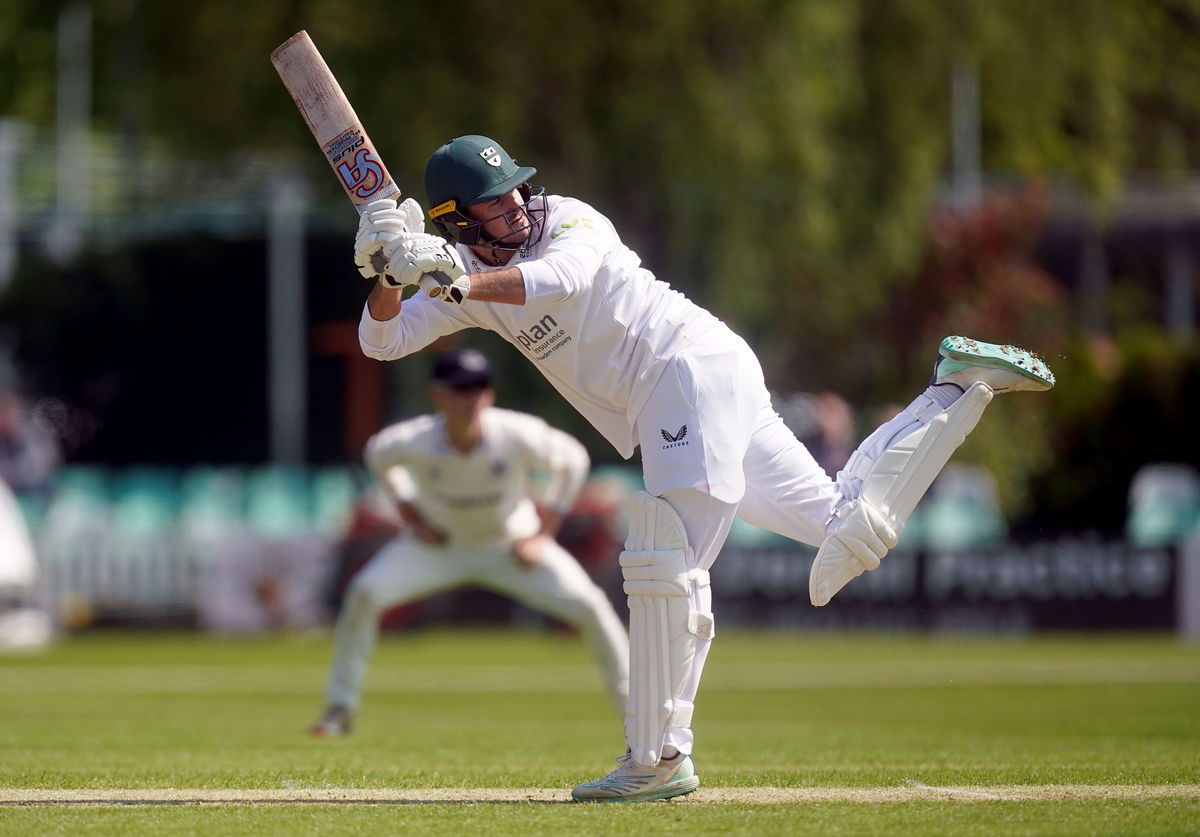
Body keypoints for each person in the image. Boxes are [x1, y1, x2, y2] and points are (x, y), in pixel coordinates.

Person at [345, 135, 1055, 801]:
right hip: (703, 378)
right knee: (847, 524)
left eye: (515, 191)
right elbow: (380, 340)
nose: (515, 206)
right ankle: (959, 387)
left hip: (681, 371)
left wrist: (448, 279)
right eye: (494, 203)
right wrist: (385, 271)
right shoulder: (464, 274)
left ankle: (656, 756)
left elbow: (556, 281)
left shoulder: (569, 222)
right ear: (459, 222)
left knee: (666, 560)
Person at [310, 347, 629, 737]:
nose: (471, 398)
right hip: (438, 548)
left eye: (479, 388)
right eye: (460, 389)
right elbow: (377, 456)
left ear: (490, 394)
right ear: (438, 395)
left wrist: (541, 535)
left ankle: (635, 712)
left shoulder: (514, 432)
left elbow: (575, 460)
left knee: (591, 605)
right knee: (364, 592)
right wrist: (411, 515)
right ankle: (340, 710)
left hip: (510, 546)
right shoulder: (414, 440)